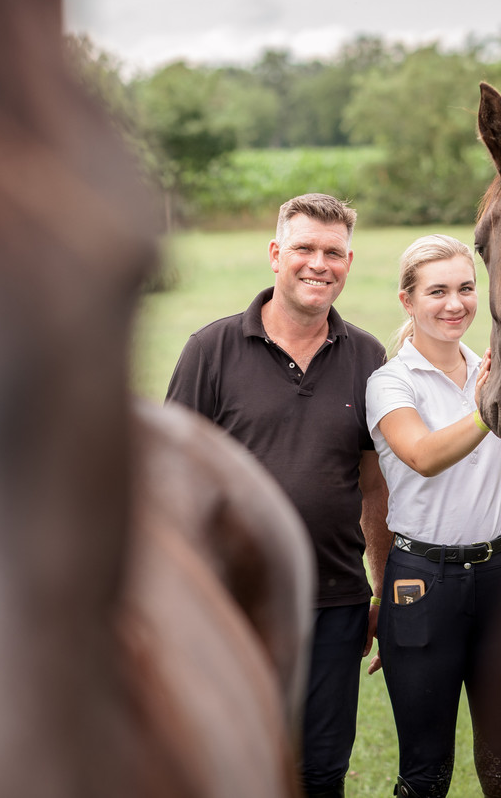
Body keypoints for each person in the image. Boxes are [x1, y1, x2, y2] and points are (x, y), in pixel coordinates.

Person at [165, 193, 392, 798]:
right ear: (274, 254)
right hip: (233, 608)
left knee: (321, 774)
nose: (319, 264)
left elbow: (375, 487)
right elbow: (172, 485)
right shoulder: (210, 351)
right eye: (304, 249)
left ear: (349, 261)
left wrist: (385, 588)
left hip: (337, 604)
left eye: (333, 253)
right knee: (232, 771)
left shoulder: (369, 357)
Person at [365, 234, 501, 798]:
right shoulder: (390, 382)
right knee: (425, 777)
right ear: (407, 301)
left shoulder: (490, 370)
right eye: (438, 291)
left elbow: (499, 486)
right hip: (422, 588)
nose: (455, 304)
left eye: (467, 289)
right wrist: (486, 406)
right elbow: (422, 457)